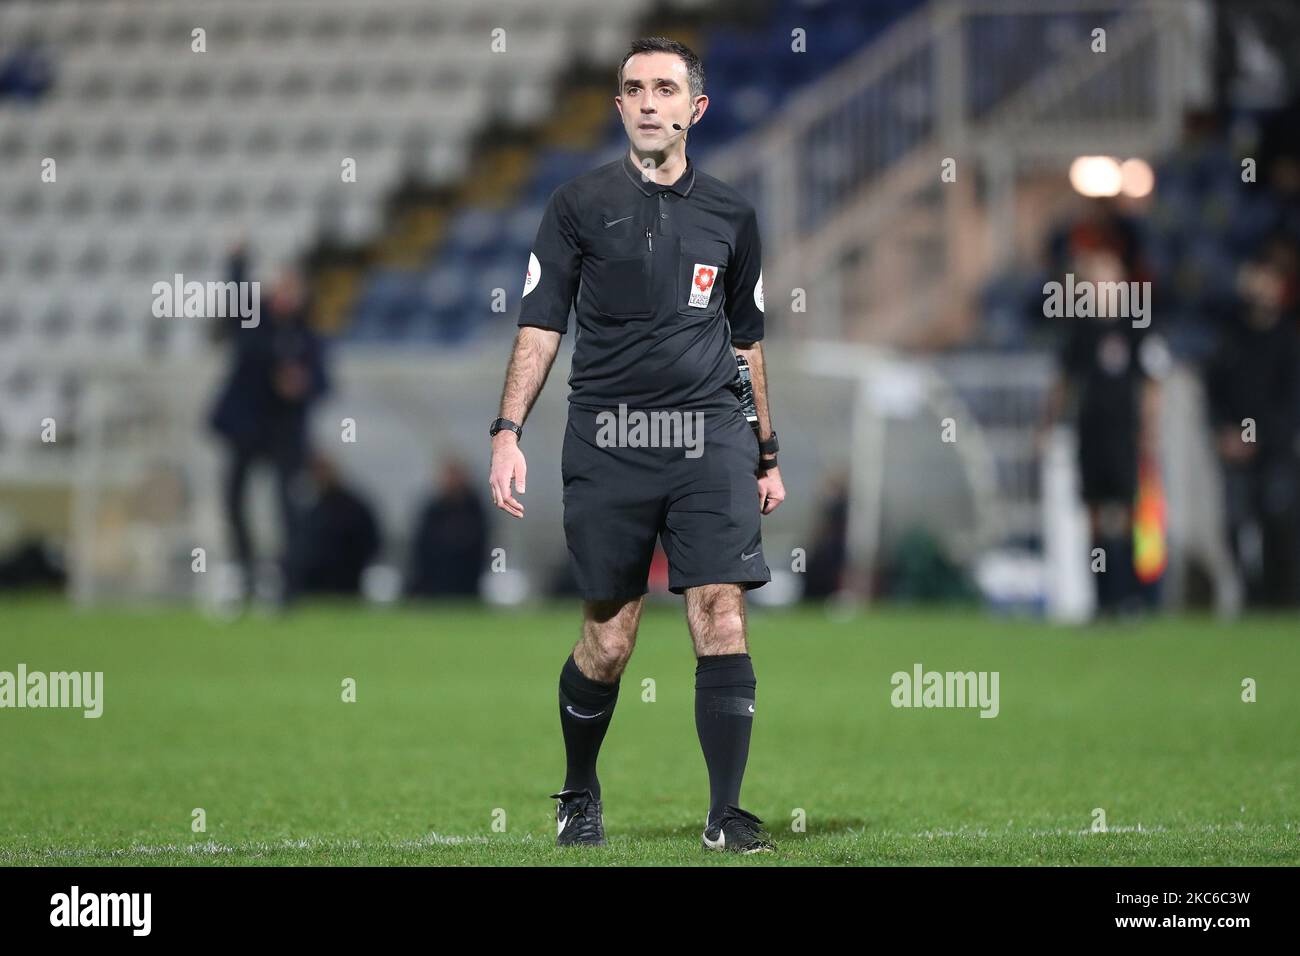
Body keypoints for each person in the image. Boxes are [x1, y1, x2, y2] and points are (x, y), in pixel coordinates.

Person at [487, 38, 785, 853]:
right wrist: (507, 432)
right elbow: (541, 325)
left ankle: (725, 814)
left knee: (720, 612)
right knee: (610, 637)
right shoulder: (576, 206)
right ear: (617, 105)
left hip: (709, 438)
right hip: (609, 441)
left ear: (697, 108)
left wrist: (766, 451)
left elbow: (748, 343)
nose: (648, 101)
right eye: (632, 89)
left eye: (664, 88)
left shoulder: (733, 216)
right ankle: (578, 790)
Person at [209, 267, 329, 598]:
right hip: (247, 431)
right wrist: (236, 261)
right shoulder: (254, 324)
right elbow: (236, 307)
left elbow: (323, 383)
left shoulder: (308, 337)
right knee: (234, 502)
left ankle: (286, 583)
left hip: (285, 436)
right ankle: (242, 573)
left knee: (288, 506)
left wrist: (301, 385)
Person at [286, 456, 381, 597]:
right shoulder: (312, 505)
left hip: (344, 582)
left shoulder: (353, 507)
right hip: (311, 585)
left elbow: (369, 542)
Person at [405, 459, 488, 598]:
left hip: (466, 581)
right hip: (434, 581)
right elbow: (422, 544)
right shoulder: (432, 509)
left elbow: (481, 542)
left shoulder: (475, 509)